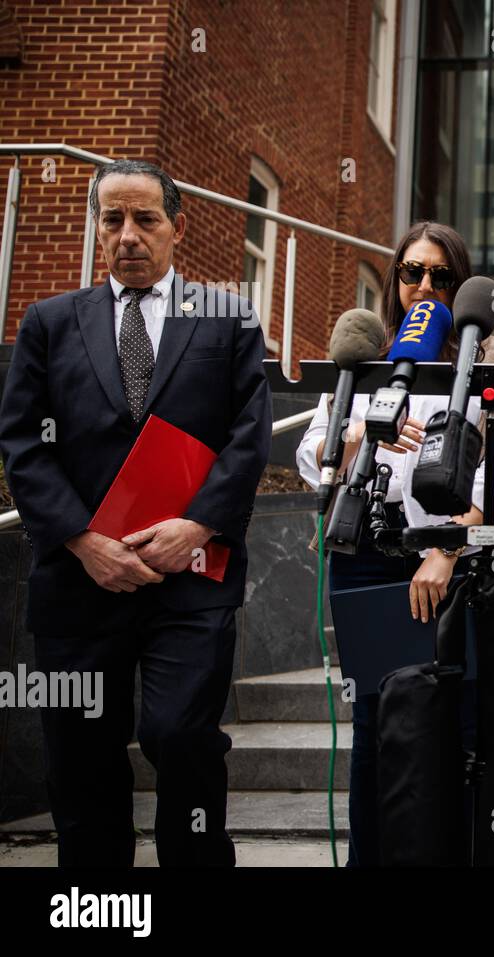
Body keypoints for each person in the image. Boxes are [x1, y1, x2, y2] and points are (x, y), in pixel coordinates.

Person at [0, 159, 271, 866]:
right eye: (112, 218)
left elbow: (249, 435)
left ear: (178, 228)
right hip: (79, 584)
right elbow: (22, 441)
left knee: (180, 735)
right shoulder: (49, 323)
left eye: (144, 219)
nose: (127, 235)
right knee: (81, 760)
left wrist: (198, 525)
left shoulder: (228, 319)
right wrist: (84, 541)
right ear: (97, 227)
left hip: (188, 579)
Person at [295, 221, 494, 866]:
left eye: (441, 276)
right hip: (369, 557)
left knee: (458, 727)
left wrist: (448, 551)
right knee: (374, 723)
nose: (424, 287)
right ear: (394, 281)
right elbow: (311, 455)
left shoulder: (489, 361)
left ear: (462, 284)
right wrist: (355, 434)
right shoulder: (364, 356)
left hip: (455, 561)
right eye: (411, 273)